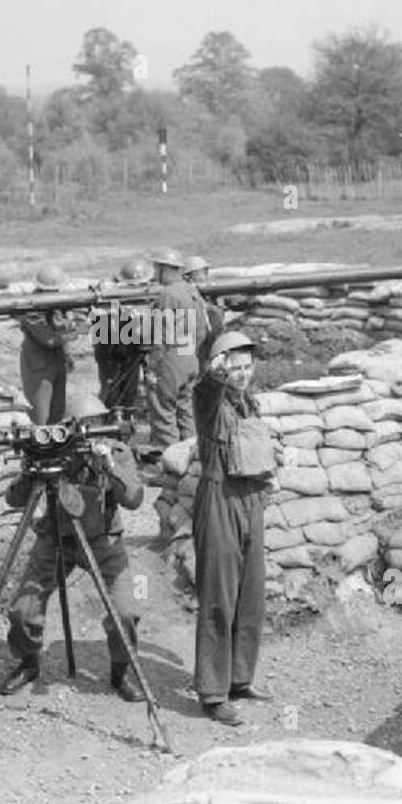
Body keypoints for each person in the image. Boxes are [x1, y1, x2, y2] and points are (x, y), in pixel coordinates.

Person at [0, 394, 146, 702]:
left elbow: (134, 498)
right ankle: (28, 662)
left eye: (99, 424)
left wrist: (109, 467)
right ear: (69, 427)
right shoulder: (53, 449)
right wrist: (33, 466)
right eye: (85, 425)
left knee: (125, 612)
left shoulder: (117, 451)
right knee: (22, 610)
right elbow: (13, 499)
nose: (94, 432)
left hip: (104, 539)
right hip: (57, 537)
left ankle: (120, 671)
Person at [191, 331, 276, 726]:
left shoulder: (249, 401)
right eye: (234, 367)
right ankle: (212, 692)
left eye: (246, 367)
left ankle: (240, 678)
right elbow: (206, 388)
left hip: (251, 499)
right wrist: (214, 374)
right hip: (219, 498)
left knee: (251, 594)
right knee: (218, 598)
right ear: (221, 368)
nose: (241, 374)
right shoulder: (208, 399)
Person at [144, 248, 209, 449]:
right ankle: (192, 459)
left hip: (170, 361)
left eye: (156, 267)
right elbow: (202, 329)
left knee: (163, 412)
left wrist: (152, 368)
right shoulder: (191, 291)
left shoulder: (168, 295)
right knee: (186, 412)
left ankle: (170, 463)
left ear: (165, 268)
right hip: (189, 357)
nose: (154, 272)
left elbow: (160, 336)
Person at [19, 263, 79, 424]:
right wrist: (77, 331)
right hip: (39, 364)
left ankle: (55, 447)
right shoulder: (31, 307)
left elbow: (60, 329)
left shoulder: (56, 303)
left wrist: (67, 354)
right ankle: (40, 447)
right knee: (41, 414)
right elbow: (49, 339)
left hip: (57, 359)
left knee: (57, 411)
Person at [93, 257, 152, 412]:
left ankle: (126, 420)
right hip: (112, 350)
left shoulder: (144, 296)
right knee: (112, 392)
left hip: (131, 349)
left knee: (129, 392)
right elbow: (102, 334)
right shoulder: (107, 296)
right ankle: (109, 423)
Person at [182, 254, 224, 371]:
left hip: (209, 345)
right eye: (202, 272)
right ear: (188, 277)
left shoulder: (210, 296)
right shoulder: (185, 297)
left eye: (206, 272)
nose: (205, 276)